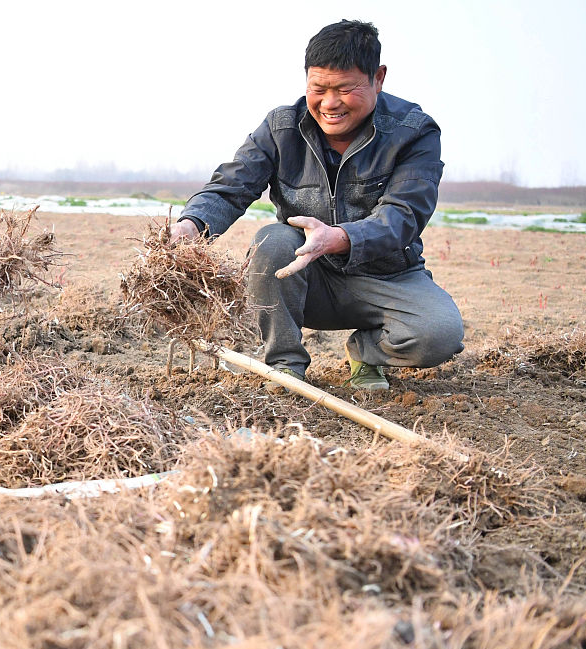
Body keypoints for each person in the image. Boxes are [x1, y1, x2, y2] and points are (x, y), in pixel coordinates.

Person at [171, 20, 463, 391]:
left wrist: (338, 237)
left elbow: (402, 217)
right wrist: (191, 224)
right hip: (304, 278)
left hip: (387, 277)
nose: (329, 103)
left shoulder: (413, 132)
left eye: (345, 89)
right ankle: (285, 365)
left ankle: (366, 352)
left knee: (439, 334)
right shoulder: (281, 127)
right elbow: (230, 187)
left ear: (378, 78)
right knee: (272, 240)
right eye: (319, 88)